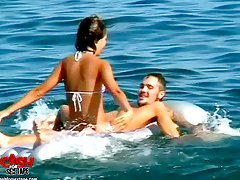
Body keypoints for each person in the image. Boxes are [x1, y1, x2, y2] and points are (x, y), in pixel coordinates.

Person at [0, 15, 133, 134]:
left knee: (63, 109)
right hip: (97, 130)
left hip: (74, 128)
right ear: (97, 40)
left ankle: (52, 131)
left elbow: (39, 91)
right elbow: (116, 92)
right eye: (105, 39)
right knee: (142, 111)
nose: (106, 44)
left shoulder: (65, 63)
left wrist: (7, 111)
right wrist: (128, 110)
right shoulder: (101, 64)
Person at [0, 73, 182, 148]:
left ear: (161, 94)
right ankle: (46, 132)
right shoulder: (132, 108)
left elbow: (176, 133)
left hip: (105, 133)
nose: (143, 90)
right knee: (64, 111)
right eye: (142, 86)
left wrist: (195, 134)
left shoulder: (159, 108)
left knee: (68, 133)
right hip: (95, 126)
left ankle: (11, 140)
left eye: (150, 87)